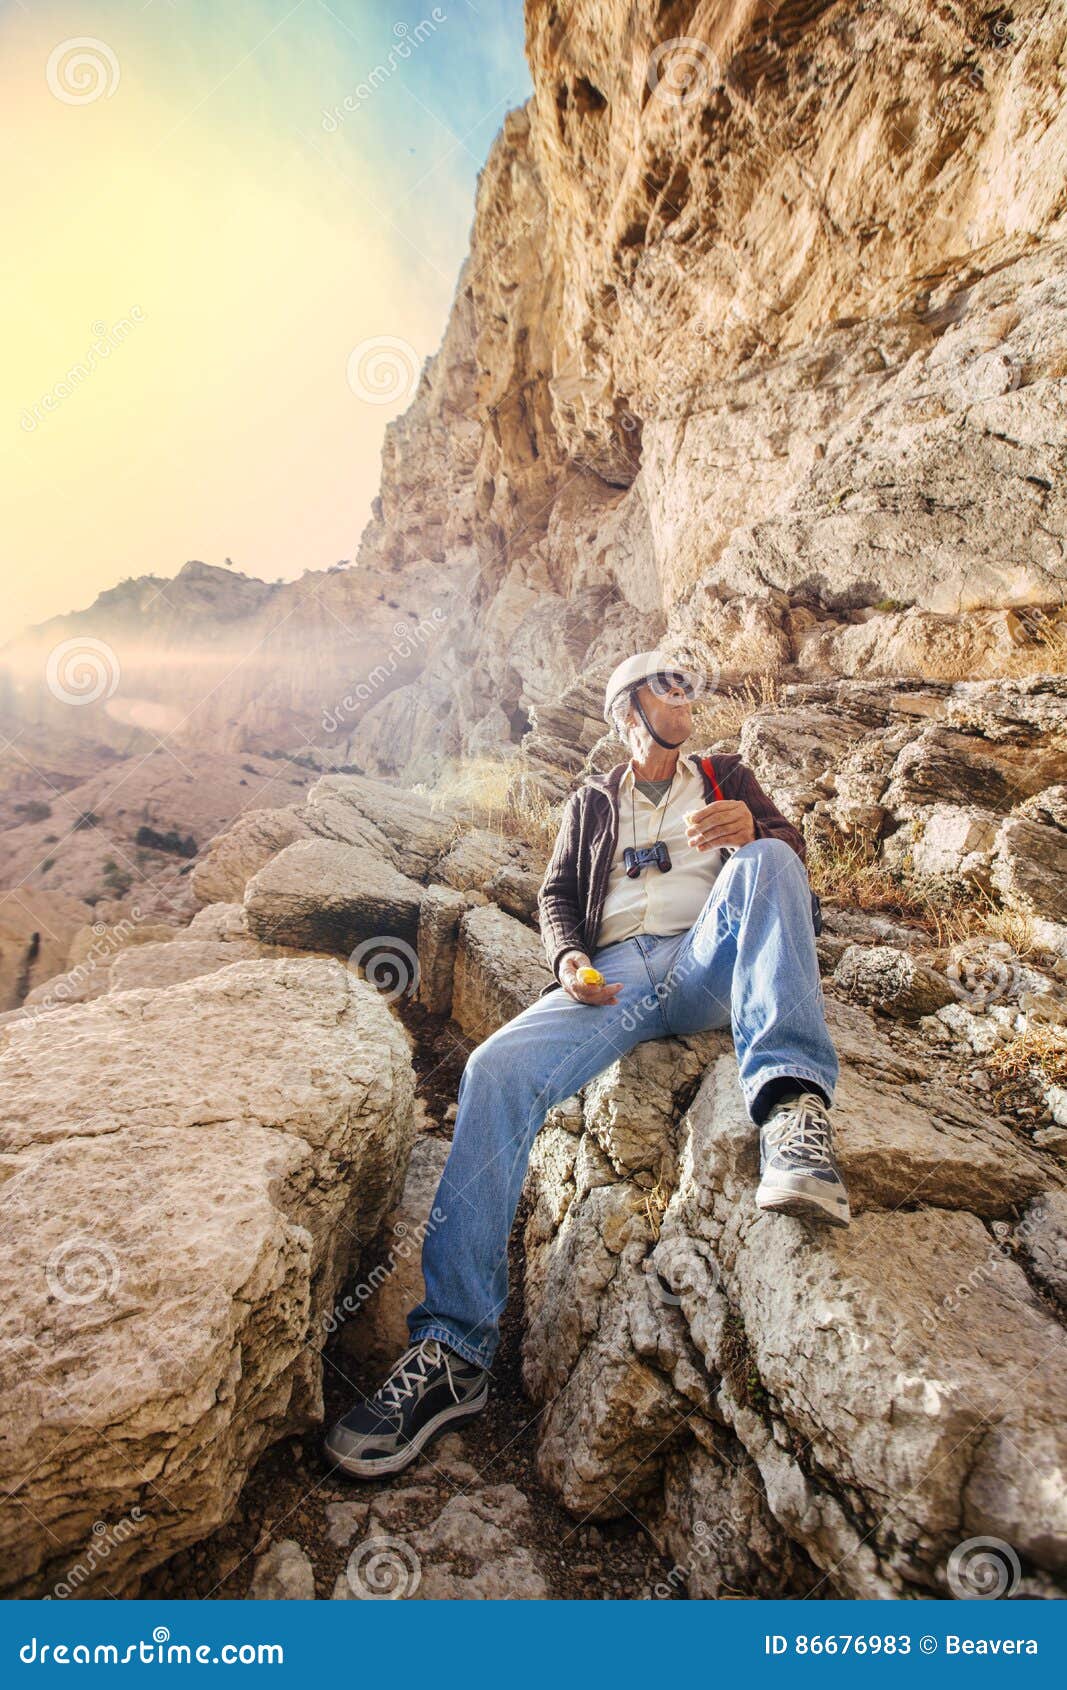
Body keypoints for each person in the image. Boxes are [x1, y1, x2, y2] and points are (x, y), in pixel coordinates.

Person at [325, 650, 847, 1480]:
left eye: (689, 686)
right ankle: (454, 1351)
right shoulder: (590, 801)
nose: (687, 696)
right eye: (668, 685)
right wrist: (568, 959)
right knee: (494, 1069)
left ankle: (790, 1109)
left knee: (770, 862)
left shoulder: (724, 773)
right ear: (626, 710)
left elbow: (791, 866)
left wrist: (758, 831)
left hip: (708, 957)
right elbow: (558, 895)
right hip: (617, 976)